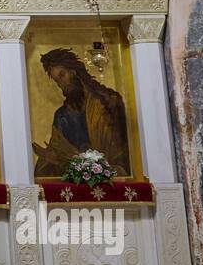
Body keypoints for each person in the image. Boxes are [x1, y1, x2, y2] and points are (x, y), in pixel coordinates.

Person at [32, 48, 130, 176]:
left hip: (111, 178)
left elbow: (122, 145)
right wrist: (49, 157)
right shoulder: (61, 116)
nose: (62, 83)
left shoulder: (106, 101)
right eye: (57, 80)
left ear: (73, 71)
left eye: (62, 75)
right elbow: (59, 152)